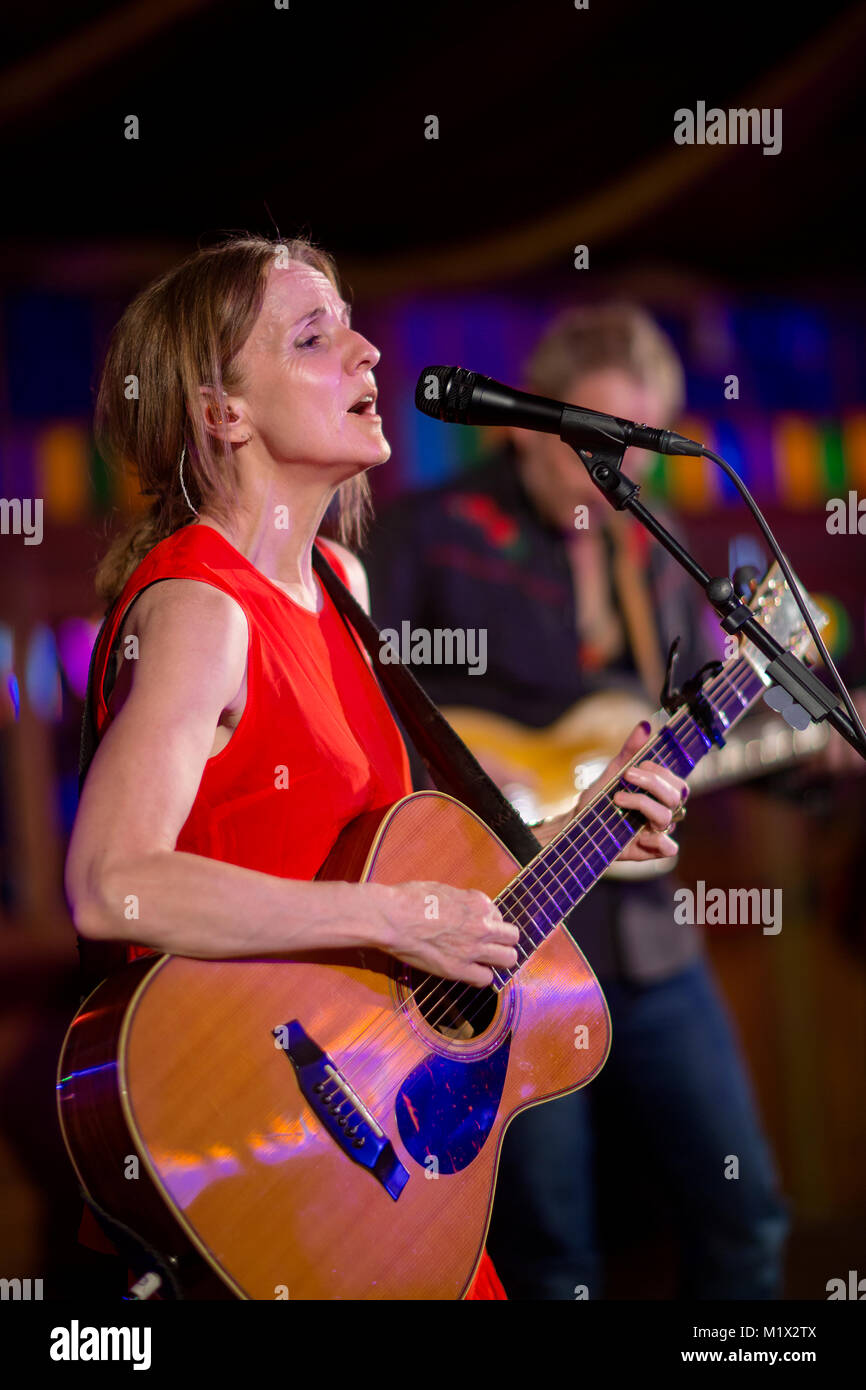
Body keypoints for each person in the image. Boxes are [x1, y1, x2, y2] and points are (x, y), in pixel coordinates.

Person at [64, 241, 687, 1301]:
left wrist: (586, 820)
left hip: (366, 1151)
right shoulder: (201, 611)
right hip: (246, 1143)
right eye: (313, 337)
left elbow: (377, 878)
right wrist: (393, 918)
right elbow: (109, 881)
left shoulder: (339, 582)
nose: (364, 352)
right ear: (222, 412)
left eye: (350, 323)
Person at [364, 303, 790, 1299]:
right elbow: (375, 713)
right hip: (506, 944)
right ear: (528, 419)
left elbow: (698, 731)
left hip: (645, 936)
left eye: (629, 442)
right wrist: (496, 800)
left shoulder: (656, 548)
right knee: (550, 1243)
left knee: (743, 1211)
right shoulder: (429, 533)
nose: (616, 467)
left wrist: (817, 748)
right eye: (591, 435)